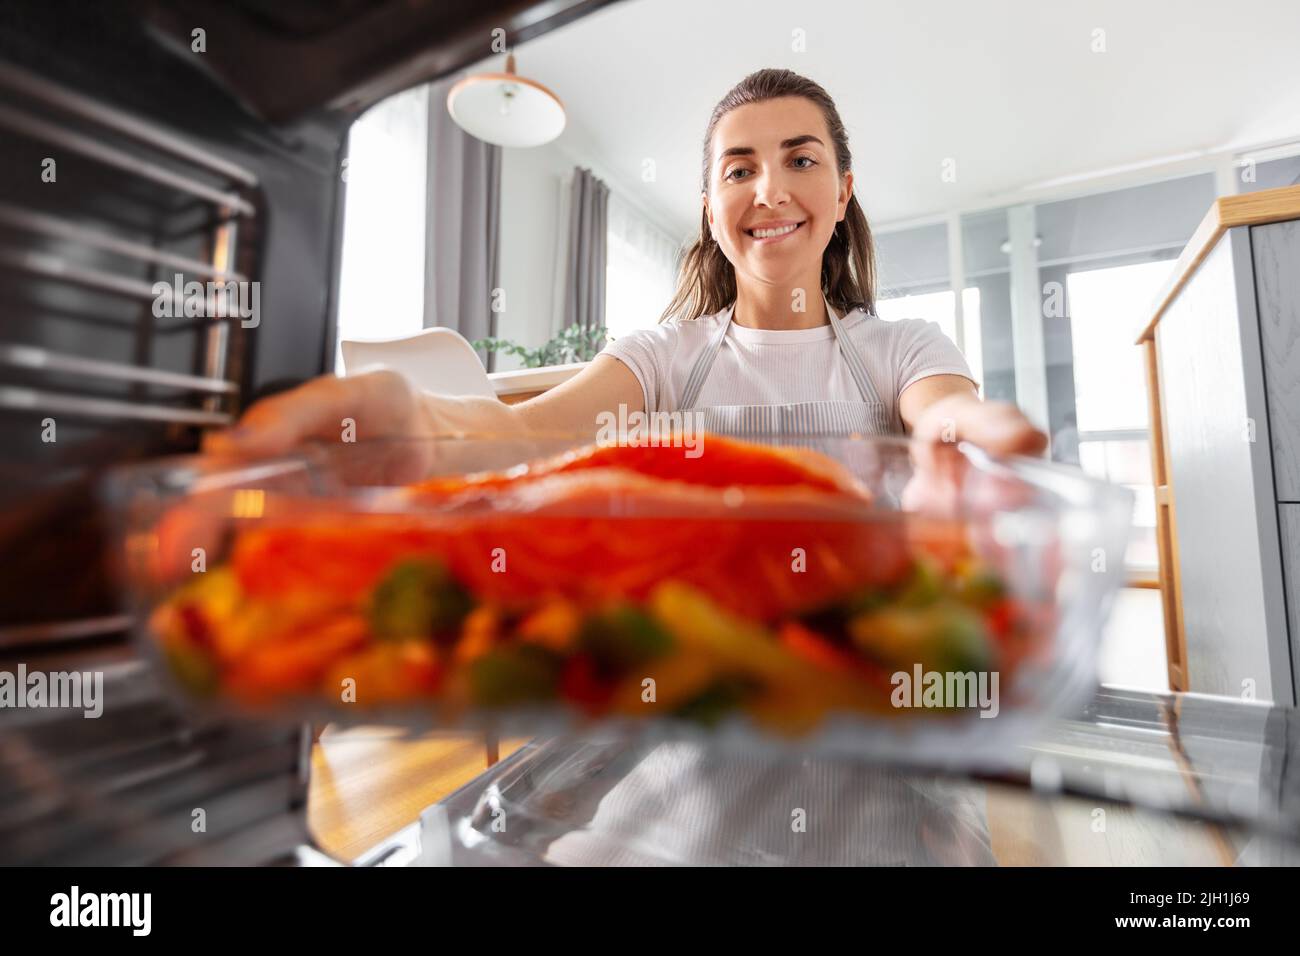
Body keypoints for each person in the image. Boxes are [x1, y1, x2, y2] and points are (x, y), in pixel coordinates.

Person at [205, 68, 1047, 865]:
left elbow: (940, 409)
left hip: (871, 736)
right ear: (712, 207)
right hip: (692, 747)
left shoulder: (901, 346)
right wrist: (418, 426)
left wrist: (966, 433)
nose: (770, 190)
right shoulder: (664, 354)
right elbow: (526, 433)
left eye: (800, 159)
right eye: (739, 169)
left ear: (842, 189)